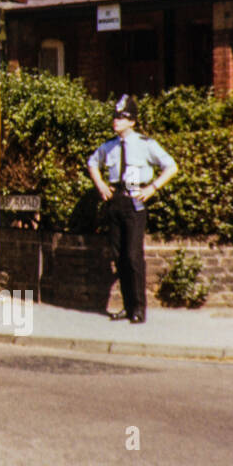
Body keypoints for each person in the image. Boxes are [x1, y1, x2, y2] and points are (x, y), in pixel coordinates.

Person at [86, 95, 178, 324]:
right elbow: (92, 163)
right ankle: (128, 307)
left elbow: (171, 166)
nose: (115, 121)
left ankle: (139, 309)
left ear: (132, 122)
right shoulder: (109, 146)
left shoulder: (146, 144)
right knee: (119, 257)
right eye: (115, 117)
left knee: (133, 256)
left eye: (121, 117)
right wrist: (100, 185)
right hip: (115, 202)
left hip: (135, 203)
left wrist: (153, 188)